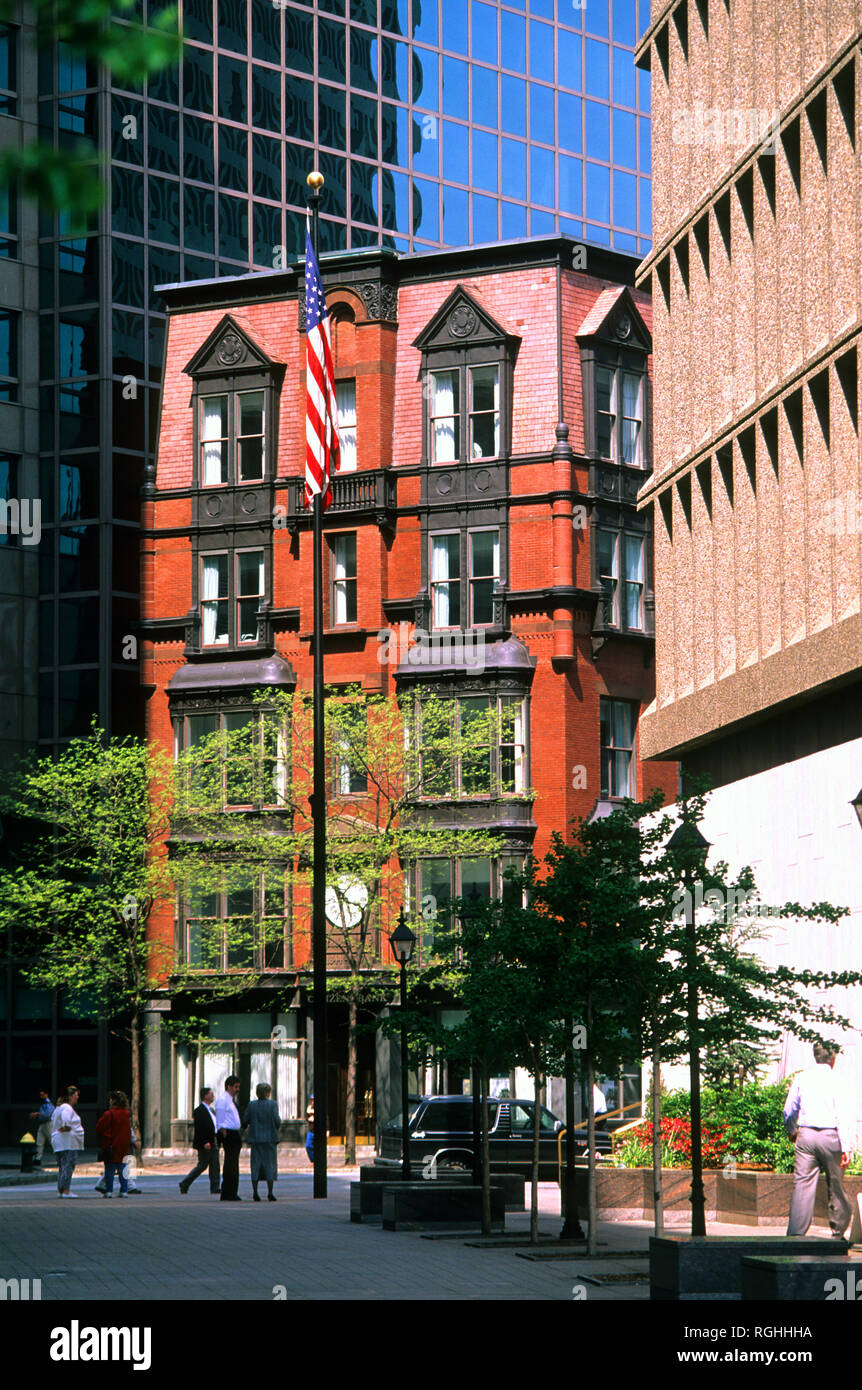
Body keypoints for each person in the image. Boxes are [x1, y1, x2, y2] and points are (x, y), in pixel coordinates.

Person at [784, 1042, 853, 1238]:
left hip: (806, 1135)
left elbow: (788, 1110)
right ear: (833, 1058)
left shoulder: (802, 1078)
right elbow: (844, 1115)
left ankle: (795, 1235)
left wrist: (792, 1131)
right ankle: (838, 1233)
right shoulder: (838, 1080)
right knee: (835, 1185)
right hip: (831, 1136)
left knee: (802, 1185)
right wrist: (847, 1146)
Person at [243, 1083, 281, 1202]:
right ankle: (270, 1193)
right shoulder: (272, 1104)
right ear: (267, 1093)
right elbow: (277, 1121)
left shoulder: (251, 1105)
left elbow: (245, 1120)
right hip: (269, 1139)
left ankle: (255, 1192)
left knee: (255, 1165)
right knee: (270, 1165)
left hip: (255, 1139)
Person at [180, 1087, 220, 1195]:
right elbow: (200, 1128)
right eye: (211, 1094)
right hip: (206, 1142)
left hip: (213, 1140)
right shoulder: (199, 1111)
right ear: (205, 1096)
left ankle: (215, 1187)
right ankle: (185, 1183)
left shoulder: (211, 1110)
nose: (213, 1096)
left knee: (215, 1165)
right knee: (202, 1165)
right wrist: (205, 1142)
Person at [96, 1090, 133, 1198]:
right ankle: (124, 1190)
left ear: (113, 1101)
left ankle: (109, 1191)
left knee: (110, 1169)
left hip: (111, 1144)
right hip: (124, 1145)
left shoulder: (109, 1114)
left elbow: (99, 1127)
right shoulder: (127, 1113)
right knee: (123, 1168)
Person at [51, 1086, 84, 1198]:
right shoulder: (67, 1108)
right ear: (70, 1096)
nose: (77, 1097)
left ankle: (61, 1190)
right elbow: (66, 1121)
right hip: (68, 1142)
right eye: (76, 1095)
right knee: (68, 1165)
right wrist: (66, 1127)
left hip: (60, 1142)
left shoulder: (58, 1108)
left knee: (62, 1166)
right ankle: (66, 1190)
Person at [216, 1075, 243, 1201]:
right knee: (230, 1165)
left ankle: (231, 1191)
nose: (238, 1089)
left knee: (233, 1164)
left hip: (234, 1134)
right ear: (229, 1086)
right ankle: (228, 1192)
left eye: (238, 1087)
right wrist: (224, 1134)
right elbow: (220, 1120)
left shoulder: (230, 1100)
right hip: (229, 1134)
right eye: (236, 1087)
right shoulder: (223, 1100)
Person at [29, 1089, 55, 1166]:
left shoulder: (48, 1104)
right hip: (43, 1124)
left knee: (52, 1141)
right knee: (39, 1142)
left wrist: (37, 1114)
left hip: (47, 1124)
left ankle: (60, 1157)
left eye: (43, 1094)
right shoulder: (44, 1103)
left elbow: (47, 1114)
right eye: (41, 1095)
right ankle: (38, 1159)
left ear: (46, 1095)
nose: (41, 1096)